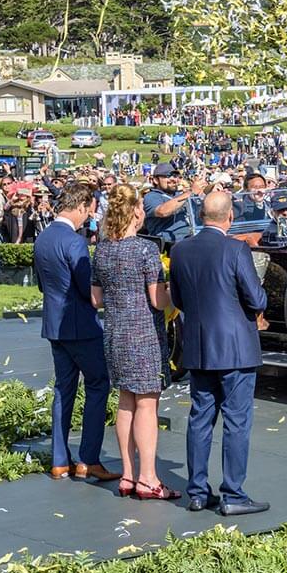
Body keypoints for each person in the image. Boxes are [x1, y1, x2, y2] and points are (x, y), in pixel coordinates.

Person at [170, 189, 270, 516]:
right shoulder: (236, 249)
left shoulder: (181, 250)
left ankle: (197, 492)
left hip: (199, 347)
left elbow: (179, 299)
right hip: (236, 348)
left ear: (201, 216)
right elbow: (257, 300)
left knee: (200, 420)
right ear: (230, 218)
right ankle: (233, 494)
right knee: (236, 422)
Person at [92, 184, 176, 501]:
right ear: (137, 211)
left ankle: (127, 474)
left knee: (125, 401)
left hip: (114, 332)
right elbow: (158, 300)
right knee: (147, 404)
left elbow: (95, 299)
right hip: (143, 334)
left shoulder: (102, 248)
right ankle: (148, 478)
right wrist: (173, 290)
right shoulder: (144, 250)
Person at [33, 181, 117, 483]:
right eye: (90, 211)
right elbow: (87, 287)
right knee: (98, 385)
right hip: (81, 326)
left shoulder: (42, 237)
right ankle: (88, 459)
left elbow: (43, 285)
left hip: (54, 325)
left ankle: (59, 460)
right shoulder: (75, 242)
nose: (89, 217)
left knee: (63, 390)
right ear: (81, 206)